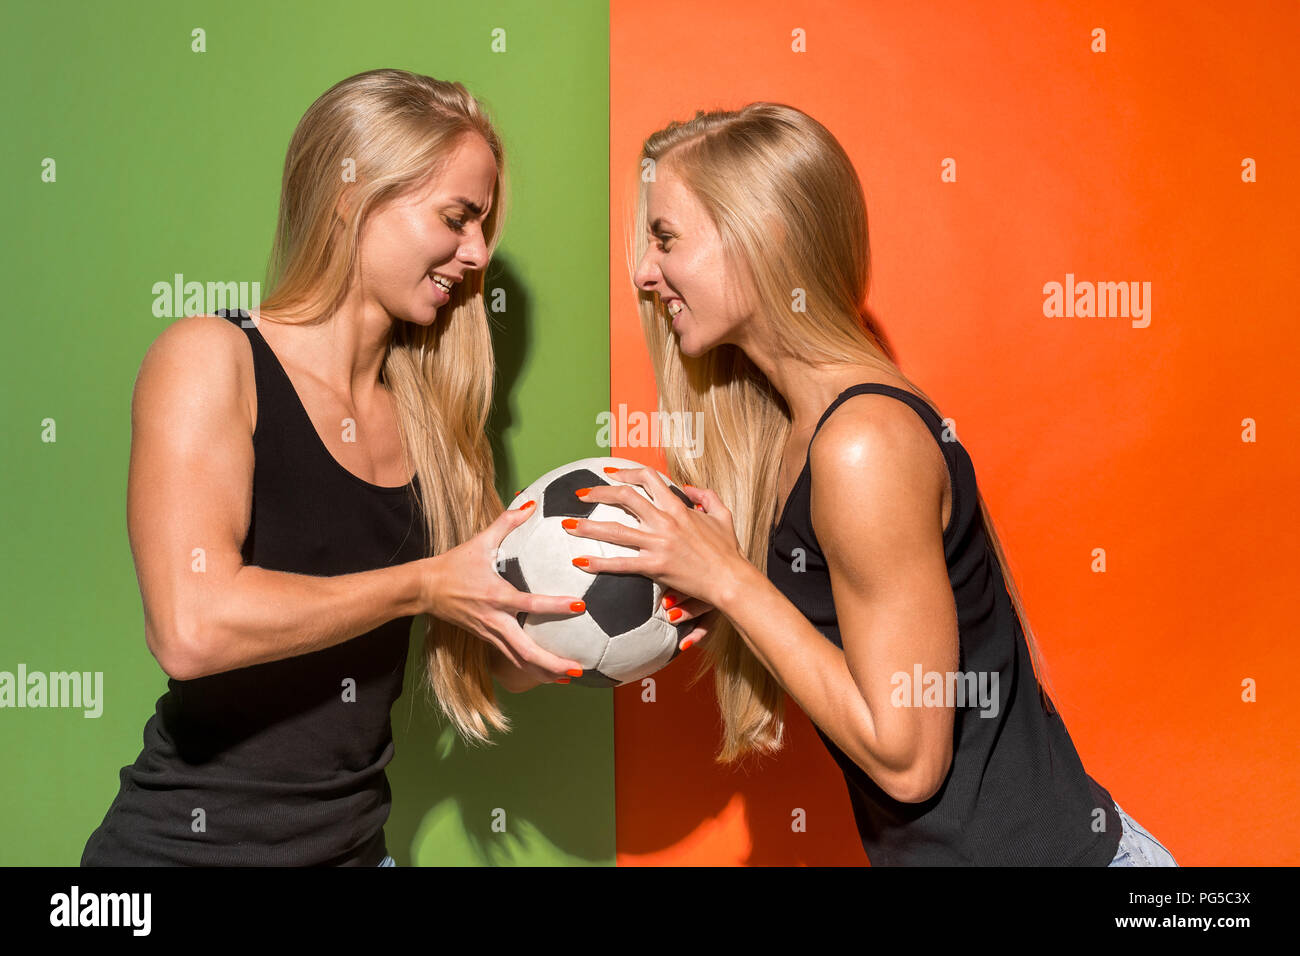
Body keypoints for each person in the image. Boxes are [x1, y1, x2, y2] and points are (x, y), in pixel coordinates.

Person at [80, 69, 712, 867]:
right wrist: (422, 583)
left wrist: (649, 599)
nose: (478, 253)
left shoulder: (435, 422)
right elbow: (191, 628)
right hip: (181, 856)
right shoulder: (212, 360)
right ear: (352, 196)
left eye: (482, 226)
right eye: (457, 218)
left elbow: (493, 660)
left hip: (355, 851)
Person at [558, 102, 1177, 866]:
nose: (646, 275)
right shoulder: (792, 436)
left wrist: (731, 578)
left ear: (766, 235)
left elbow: (908, 760)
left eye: (666, 239)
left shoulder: (861, 444)